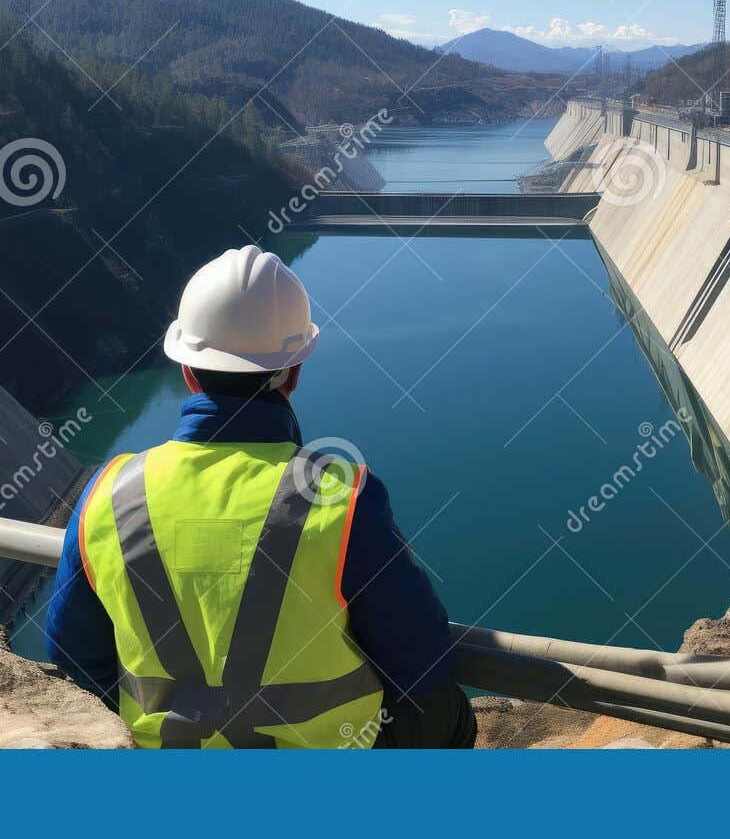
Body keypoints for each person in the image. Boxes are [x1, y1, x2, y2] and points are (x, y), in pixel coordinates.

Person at [45, 245, 475, 749]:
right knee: (448, 713)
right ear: (293, 373)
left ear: (187, 371)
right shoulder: (342, 496)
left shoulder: (106, 493)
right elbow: (419, 659)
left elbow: (73, 657)